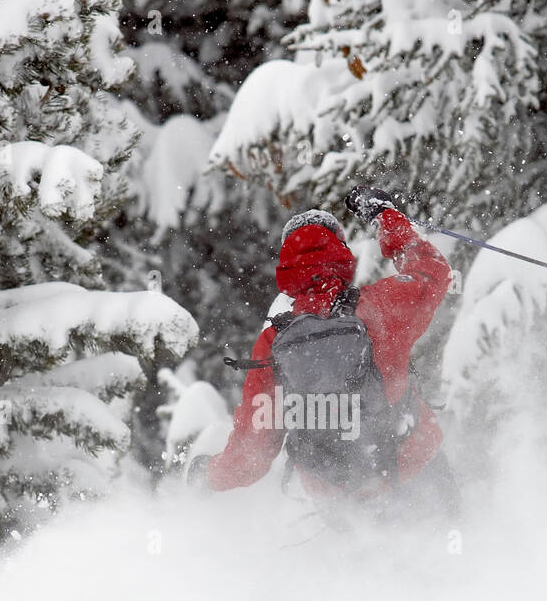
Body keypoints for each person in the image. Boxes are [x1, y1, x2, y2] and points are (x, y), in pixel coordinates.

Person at [190, 186, 459, 521]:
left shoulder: (274, 342)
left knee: (363, 574)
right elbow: (433, 271)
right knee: (458, 567)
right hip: (416, 476)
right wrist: (384, 216)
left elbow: (253, 455)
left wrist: (209, 476)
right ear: (341, 252)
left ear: (286, 266)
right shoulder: (379, 308)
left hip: (344, 509)